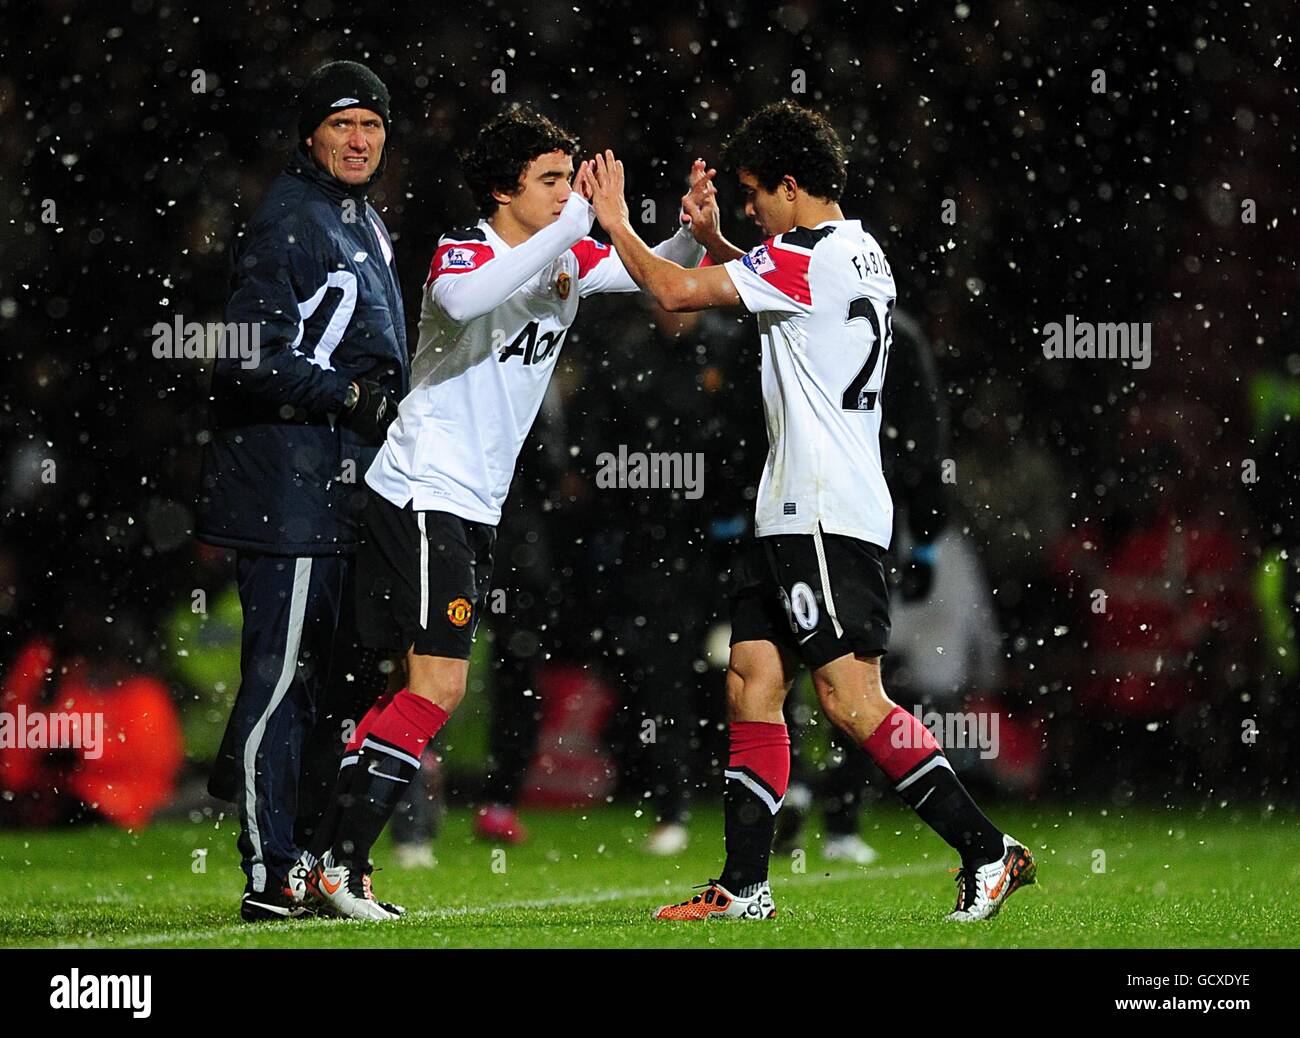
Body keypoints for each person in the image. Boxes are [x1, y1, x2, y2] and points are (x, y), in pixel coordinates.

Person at [586, 100, 1036, 922]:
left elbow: (677, 290)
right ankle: (745, 887)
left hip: (820, 511)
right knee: (752, 680)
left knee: (850, 698)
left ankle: (986, 850)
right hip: (795, 507)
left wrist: (615, 221)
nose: (751, 208)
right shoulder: (860, 253)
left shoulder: (799, 262)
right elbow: (775, 290)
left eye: (757, 194)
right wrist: (724, 237)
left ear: (791, 186)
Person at [302, 105, 725, 920]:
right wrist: (572, 227)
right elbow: (463, 303)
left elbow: (647, 272)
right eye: (551, 180)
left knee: (403, 689)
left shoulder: (558, 259)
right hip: (423, 488)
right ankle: (341, 865)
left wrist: (686, 230)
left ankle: (324, 854)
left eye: (572, 179)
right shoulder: (467, 249)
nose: (570, 194)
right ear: (504, 189)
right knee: (438, 684)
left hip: (468, 505)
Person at [195, 60, 408, 922]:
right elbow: (247, 354)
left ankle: (305, 856)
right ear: (309, 135)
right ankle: (266, 869)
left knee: (326, 689)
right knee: (281, 684)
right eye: (342, 124)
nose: (359, 140)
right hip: (287, 491)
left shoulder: (354, 218)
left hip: (335, 489)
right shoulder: (290, 219)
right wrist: (355, 397)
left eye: (373, 125)